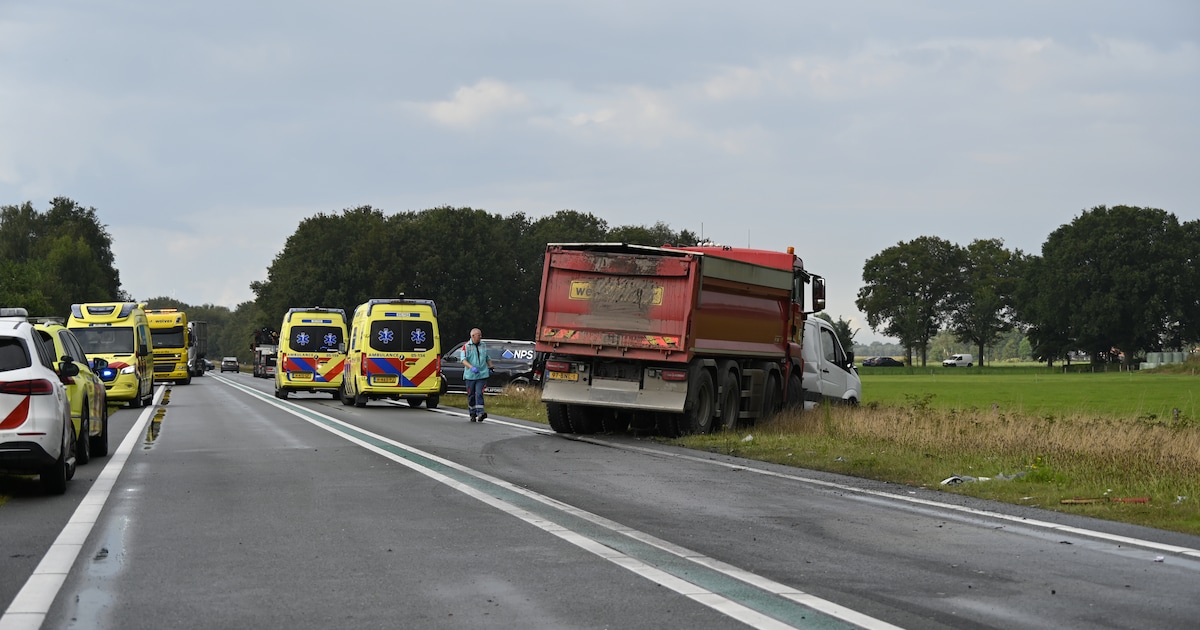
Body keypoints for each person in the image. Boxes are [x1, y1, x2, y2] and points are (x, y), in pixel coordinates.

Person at [459, 328, 494, 422]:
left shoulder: (483, 345)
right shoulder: (466, 347)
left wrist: (491, 367)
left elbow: (487, 357)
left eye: (481, 335)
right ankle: (472, 413)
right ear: (473, 336)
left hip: (482, 375)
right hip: (470, 376)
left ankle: (480, 413)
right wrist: (471, 367)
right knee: (471, 395)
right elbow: (463, 360)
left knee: (479, 393)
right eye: (479, 335)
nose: (481, 337)